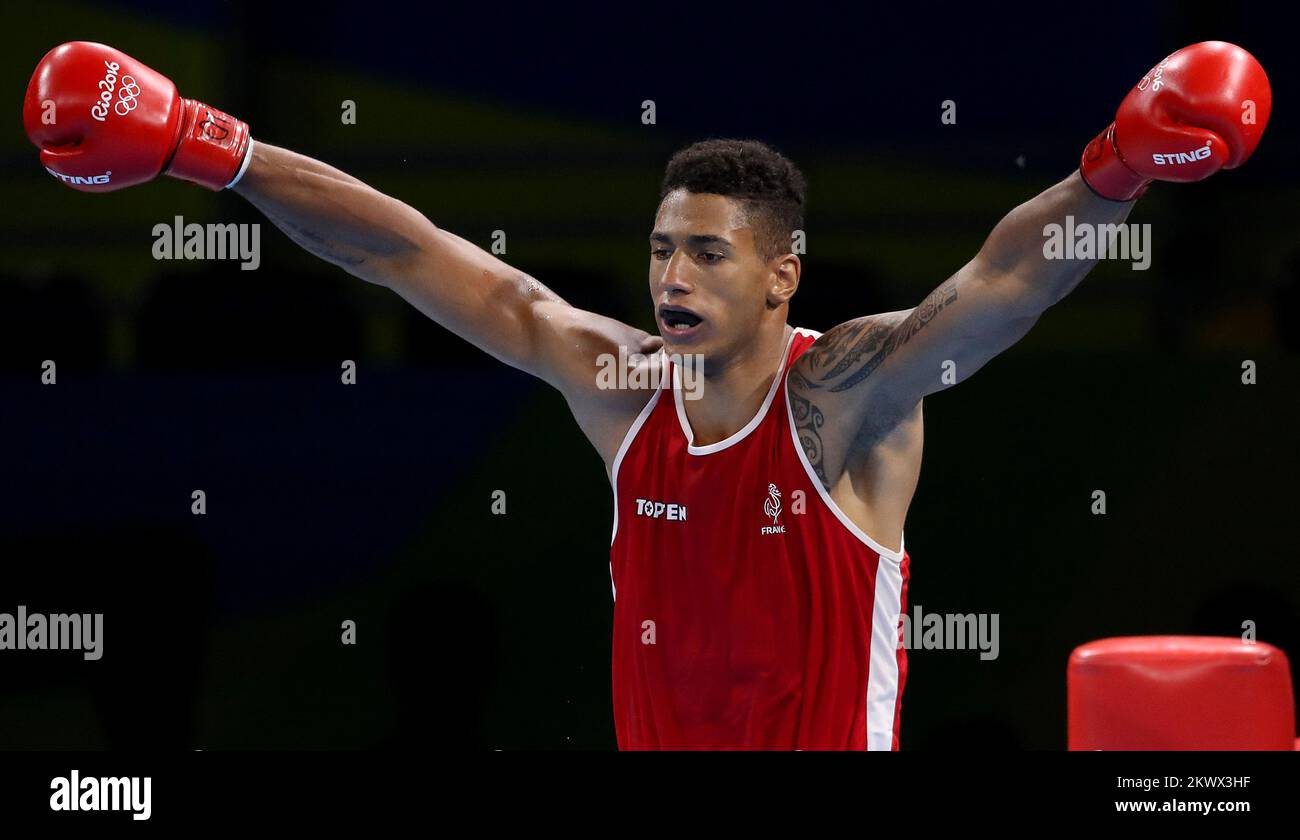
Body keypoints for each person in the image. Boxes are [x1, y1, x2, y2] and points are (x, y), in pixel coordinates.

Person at [23, 40, 1271, 749]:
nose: (672, 278)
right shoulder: (623, 390)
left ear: (784, 275)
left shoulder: (845, 396)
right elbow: (407, 250)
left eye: (708, 256)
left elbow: (1004, 280)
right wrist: (209, 144)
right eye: (662, 251)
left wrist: (1110, 176)